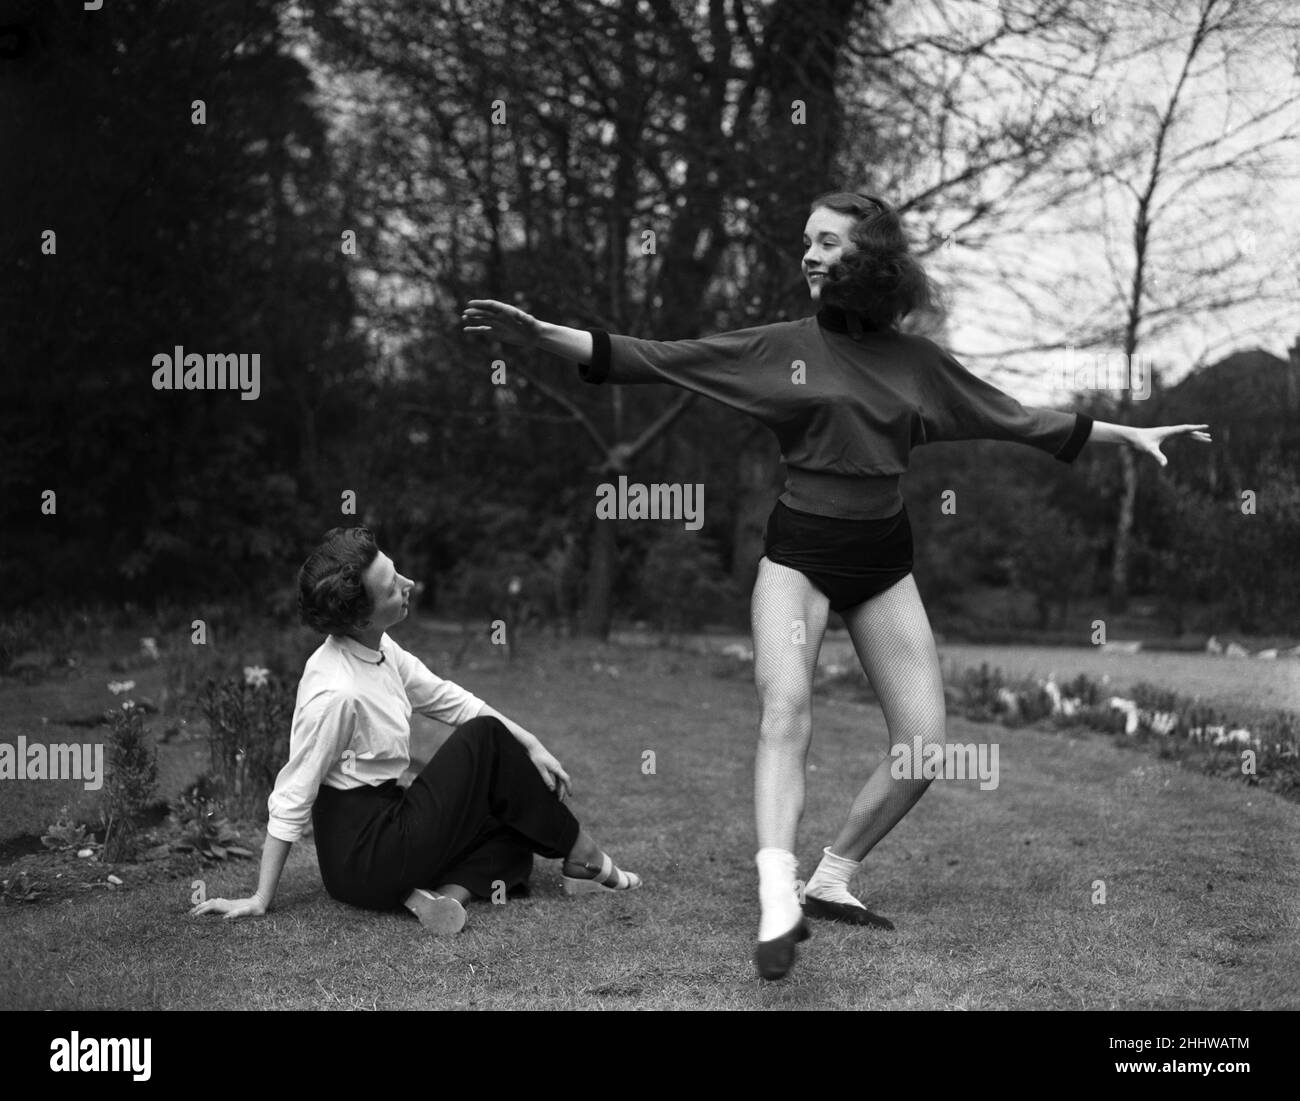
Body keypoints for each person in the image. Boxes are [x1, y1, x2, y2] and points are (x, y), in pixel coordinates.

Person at [462, 191, 1210, 980]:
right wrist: (540, 334)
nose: (807, 255)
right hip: (801, 557)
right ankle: (776, 896)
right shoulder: (779, 347)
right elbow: (657, 356)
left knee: (925, 747)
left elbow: (1010, 415)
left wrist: (1127, 433)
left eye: (825, 241)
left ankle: (832, 876)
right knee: (786, 713)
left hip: (884, 562)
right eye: (806, 240)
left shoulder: (918, 364)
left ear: (870, 258)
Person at [190, 526, 641, 934]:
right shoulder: (337, 691)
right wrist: (260, 897)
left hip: (389, 830)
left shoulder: (377, 646)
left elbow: (445, 698)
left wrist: (531, 743)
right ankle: (583, 855)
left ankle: (447, 897)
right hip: (366, 855)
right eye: (391, 586)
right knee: (484, 738)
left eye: (396, 571)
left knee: (510, 822)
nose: (407, 584)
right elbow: (294, 792)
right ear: (361, 618)